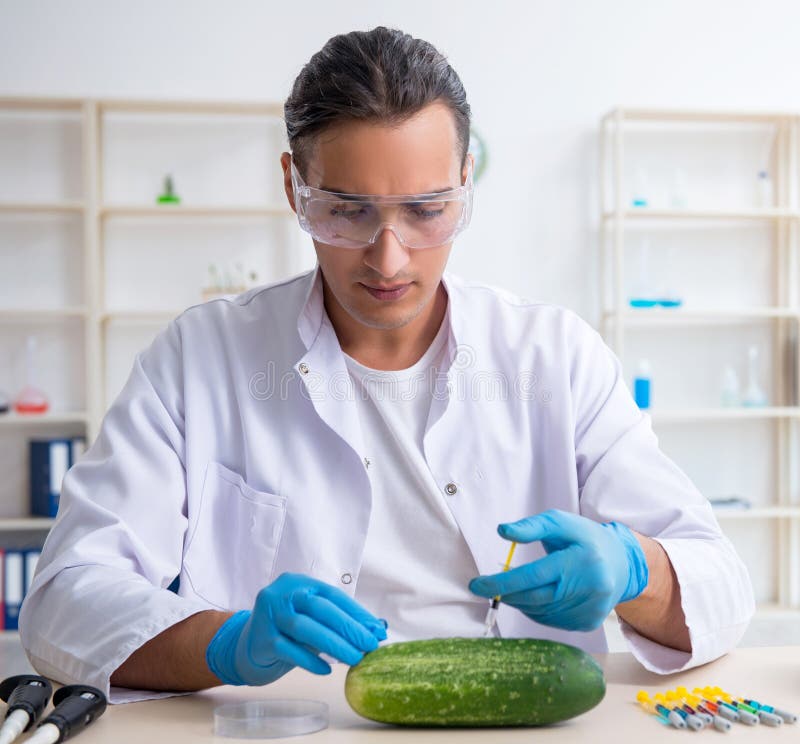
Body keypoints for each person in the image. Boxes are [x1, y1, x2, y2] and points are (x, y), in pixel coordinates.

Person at [20, 27, 753, 703]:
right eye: (346, 211)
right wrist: (227, 642)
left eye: (427, 210)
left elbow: (721, 582)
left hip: (522, 720)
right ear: (293, 189)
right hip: (287, 726)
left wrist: (634, 572)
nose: (389, 256)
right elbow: (65, 598)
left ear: (465, 183)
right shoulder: (202, 358)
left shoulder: (553, 357)